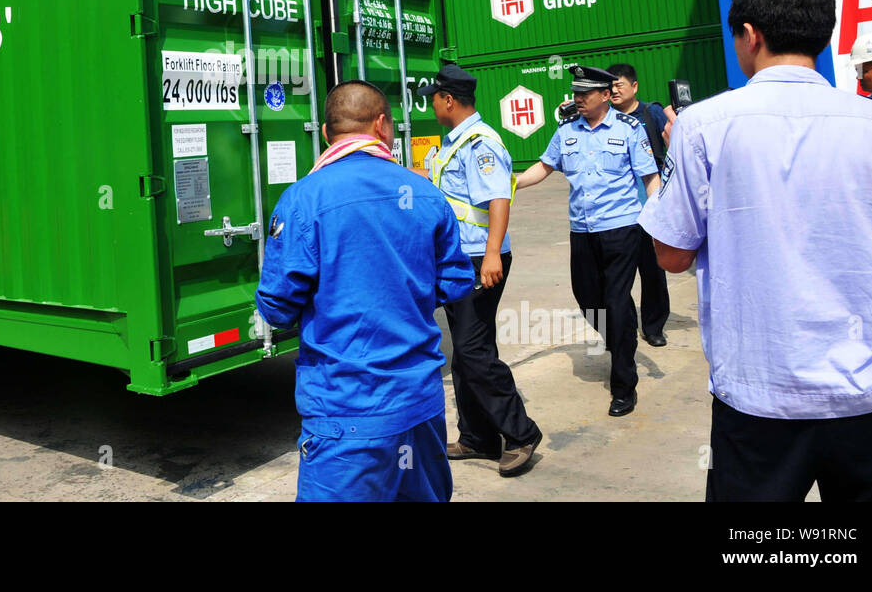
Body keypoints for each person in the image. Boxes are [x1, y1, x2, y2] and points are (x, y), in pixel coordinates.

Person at [641, 0, 872, 501]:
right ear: (825, 35)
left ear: (751, 35)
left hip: (760, 399)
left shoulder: (705, 125)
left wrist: (669, 172)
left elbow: (670, 254)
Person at [256, 79, 476, 502]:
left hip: (345, 413)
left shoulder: (302, 199)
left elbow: (278, 308)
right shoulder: (426, 193)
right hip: (419, 406)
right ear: (382, 126)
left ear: (325, 133)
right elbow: (455, 281)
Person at [416, 63, 543, 477]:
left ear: (448, 100)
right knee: (467, 353)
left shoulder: (481, 143)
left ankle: (521, 434)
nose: (432, 103)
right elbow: (441, 186)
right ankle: (476, 437)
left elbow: (498, 200)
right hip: (458, 259)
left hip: (478, 259)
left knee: (473, 351)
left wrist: (492, 254)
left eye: (435, 96)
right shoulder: (454, 142)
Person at [516, 65, 659, 417]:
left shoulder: (629, 130)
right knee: (588, 301)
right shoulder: (567, 132)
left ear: (605, 95)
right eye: (576, 93)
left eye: (585, 94)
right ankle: (621, 344)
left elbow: (650, 177)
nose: (577, 99)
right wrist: (510, 184)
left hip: (622, 229)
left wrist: (658, 223)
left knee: (616, 300)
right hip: (582, 231)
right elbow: (544, 167)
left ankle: (624, 384)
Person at [607, 62, 671, 347]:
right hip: (617, 209)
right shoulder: (603, 118)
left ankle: (654, 326)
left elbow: (676, 142)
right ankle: (620, 327)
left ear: (634, 87)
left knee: (653, 268)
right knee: (617, 274)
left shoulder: (651, 113)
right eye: (610, 86)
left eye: (619, 85)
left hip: (650, 203)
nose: (614, 90)